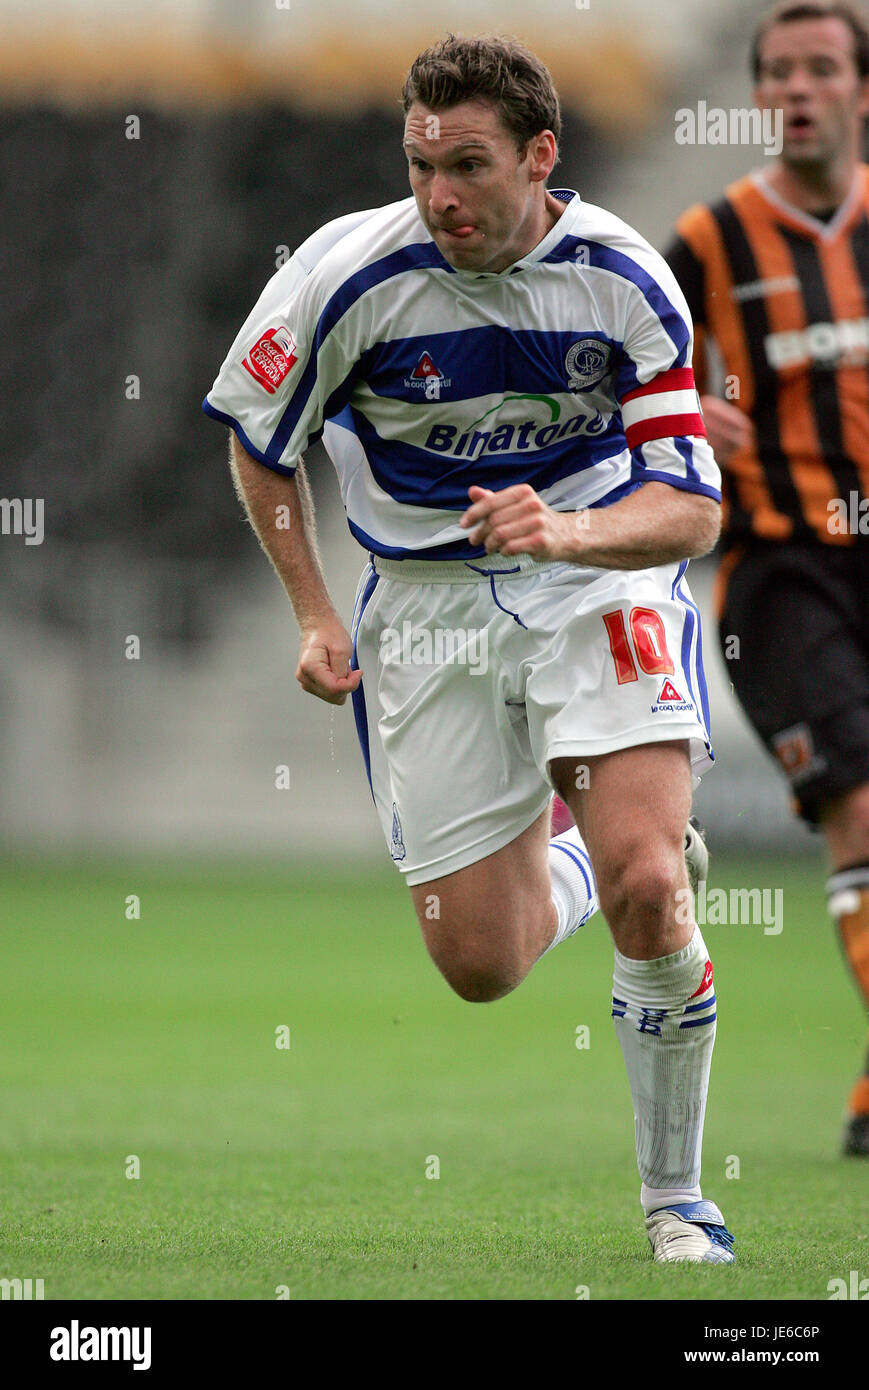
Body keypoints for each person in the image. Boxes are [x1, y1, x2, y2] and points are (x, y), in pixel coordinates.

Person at [204, 33, 735, 1262]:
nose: (437, 194)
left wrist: (569, 529)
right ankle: (578, 864)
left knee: (651, 884)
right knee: (481, 966)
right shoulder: (346, 274)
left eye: (466, 165)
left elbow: (693, 507)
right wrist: (312, 609)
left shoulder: (623, 280)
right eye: (418, 163)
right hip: (427, 605)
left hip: (590, 578)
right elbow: (257, 440)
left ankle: (675, 1203)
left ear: (539, 157)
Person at [666, 0, 869, 1156]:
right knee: (853, 805)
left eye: (820, 68)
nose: (797, 87)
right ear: (756, 95)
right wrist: (688, 405)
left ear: (858, 91)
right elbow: (621, 372)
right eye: (777, 71)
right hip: (780, 570)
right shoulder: (705, 241)